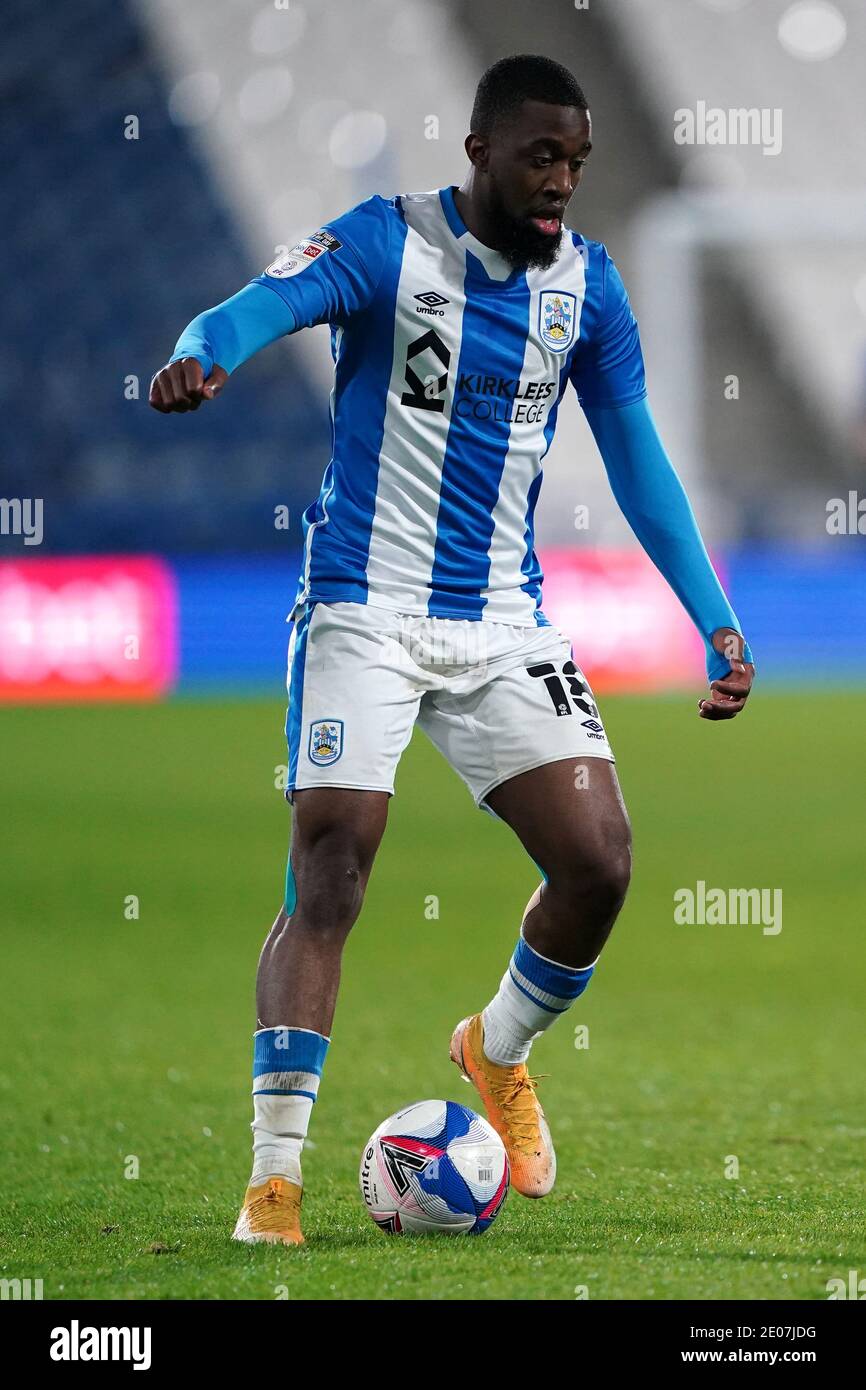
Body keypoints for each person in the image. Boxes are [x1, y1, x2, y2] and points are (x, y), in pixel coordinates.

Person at [150, 54, 755, 1246]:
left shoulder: (588, 289)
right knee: (331, 867)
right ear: (478, 151)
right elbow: (252, 306)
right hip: (362, 606)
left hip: (499, 620)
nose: (561, 184)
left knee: (600, 861)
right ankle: (275, 1181)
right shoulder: (383, 244)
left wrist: (713, 614)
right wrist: (206, 353)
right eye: (541, 158)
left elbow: (636, 461)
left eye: (576, 162)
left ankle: (496, 1046)